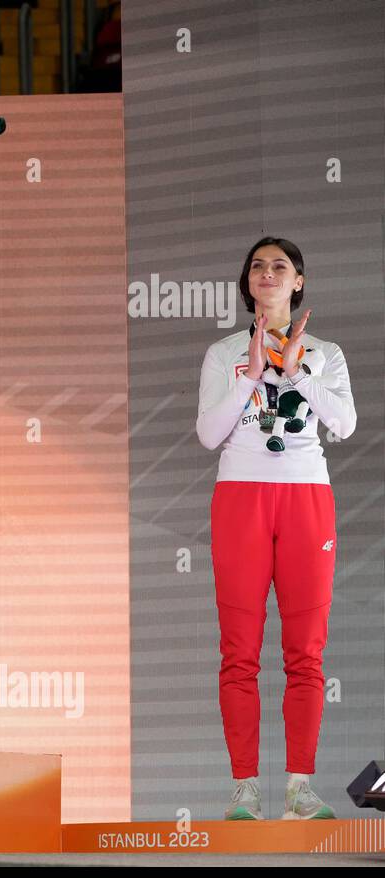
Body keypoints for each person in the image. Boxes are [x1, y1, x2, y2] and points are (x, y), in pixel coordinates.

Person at [196, 237, 356, 820]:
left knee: (305, 653)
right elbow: (209, 434)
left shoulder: (326, 352)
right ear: (247, 285)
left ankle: (299, 790)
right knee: (238, 653)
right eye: (257, 266)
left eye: (279, 266)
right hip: (240, 497)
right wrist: (250, 376)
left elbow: (344, 423)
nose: (267, 273)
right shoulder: (222, 354)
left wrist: (299, 373)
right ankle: (243, 791)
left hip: (307, 497)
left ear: (298, 283)